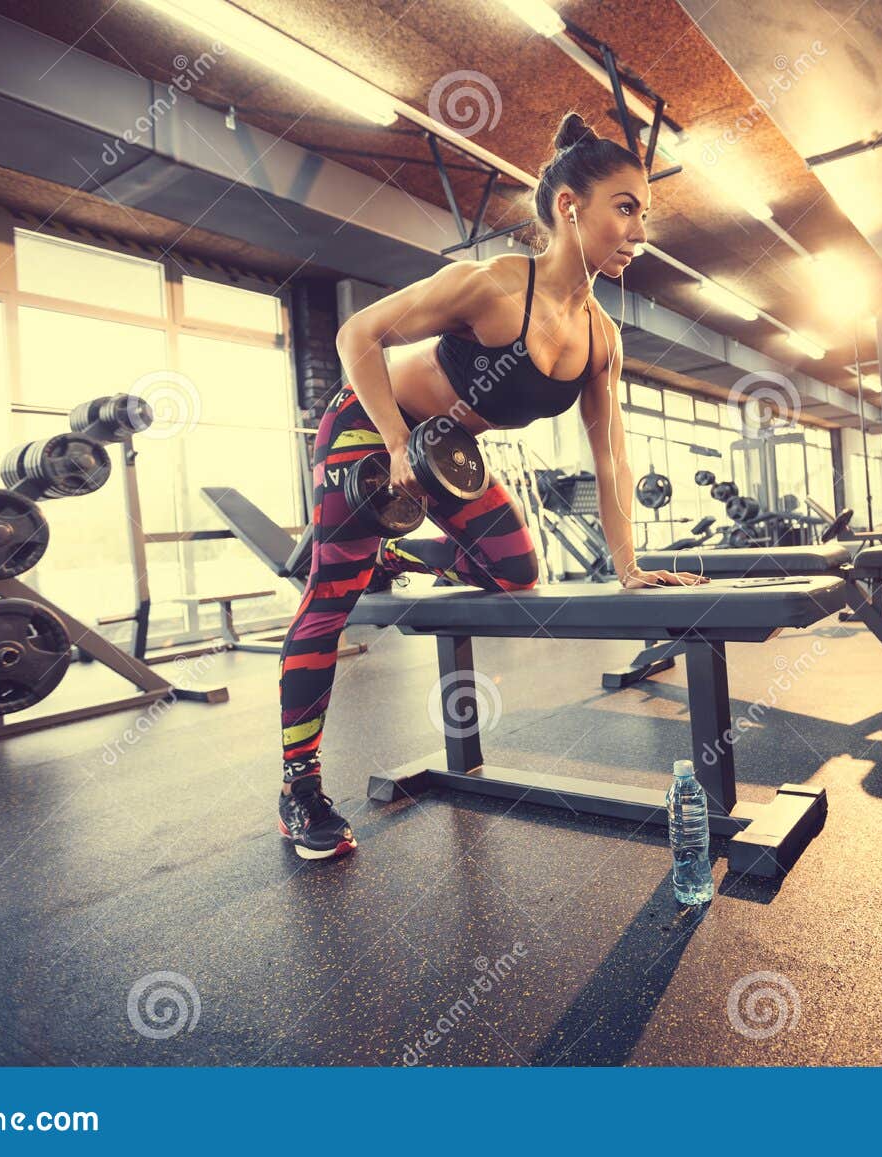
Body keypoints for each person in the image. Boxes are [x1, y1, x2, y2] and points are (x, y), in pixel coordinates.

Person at [276, 111, 709, 859]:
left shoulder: (601, 337)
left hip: (448, 454)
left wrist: (628, 565)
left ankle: (389, 554)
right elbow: (357, 335)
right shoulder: (492, 286)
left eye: (645, 213)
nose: (640, 231)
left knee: (515, 572)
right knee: (330, 595)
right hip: (371, 428)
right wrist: (394, 440)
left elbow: (611, 455)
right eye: (626, 208)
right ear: (569, 206)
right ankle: (299, 785)